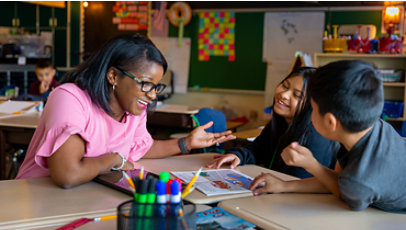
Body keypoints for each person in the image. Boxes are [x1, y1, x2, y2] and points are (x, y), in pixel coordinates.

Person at [16, 34, 235, 188]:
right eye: (146, 84)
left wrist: (186, 143)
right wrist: (113, 160)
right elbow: (67, 174)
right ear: (113, 76)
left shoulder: (132, 109)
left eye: (156, 86)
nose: (152, 95)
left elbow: (141, 148)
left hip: (87, 196)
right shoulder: (71, 98)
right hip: (40, 197)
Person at [249, 60, 406, 213]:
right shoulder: (370, 124)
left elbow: (343, 190)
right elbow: (338, 180)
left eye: (313, 108)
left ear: (330, 122)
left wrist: (312, 165)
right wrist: (284, 185)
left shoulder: (360, 183)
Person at [206, 67, 339, 178]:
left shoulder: (315, 136)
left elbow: (299, 181)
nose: (284, 95)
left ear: (312, 105)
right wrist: (238, 156)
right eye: (285, 86)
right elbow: (258, 148)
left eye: (297, 95)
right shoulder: (281, 122)